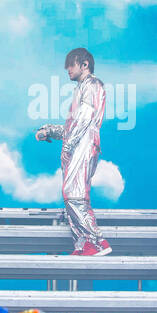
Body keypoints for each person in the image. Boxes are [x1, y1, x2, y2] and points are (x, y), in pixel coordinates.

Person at [35, 47, 110, 256]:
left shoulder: (93, 85)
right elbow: (72, 126)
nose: (67, 69)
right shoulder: (83, 89)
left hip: (83, 147)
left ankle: (96, 242)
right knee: (75, 196)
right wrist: (50, 130)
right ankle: (84, 244)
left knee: (73, 195)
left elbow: (85, 118)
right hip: (80, 145)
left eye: (71, 64)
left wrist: (68, 146)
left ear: (84, 64)